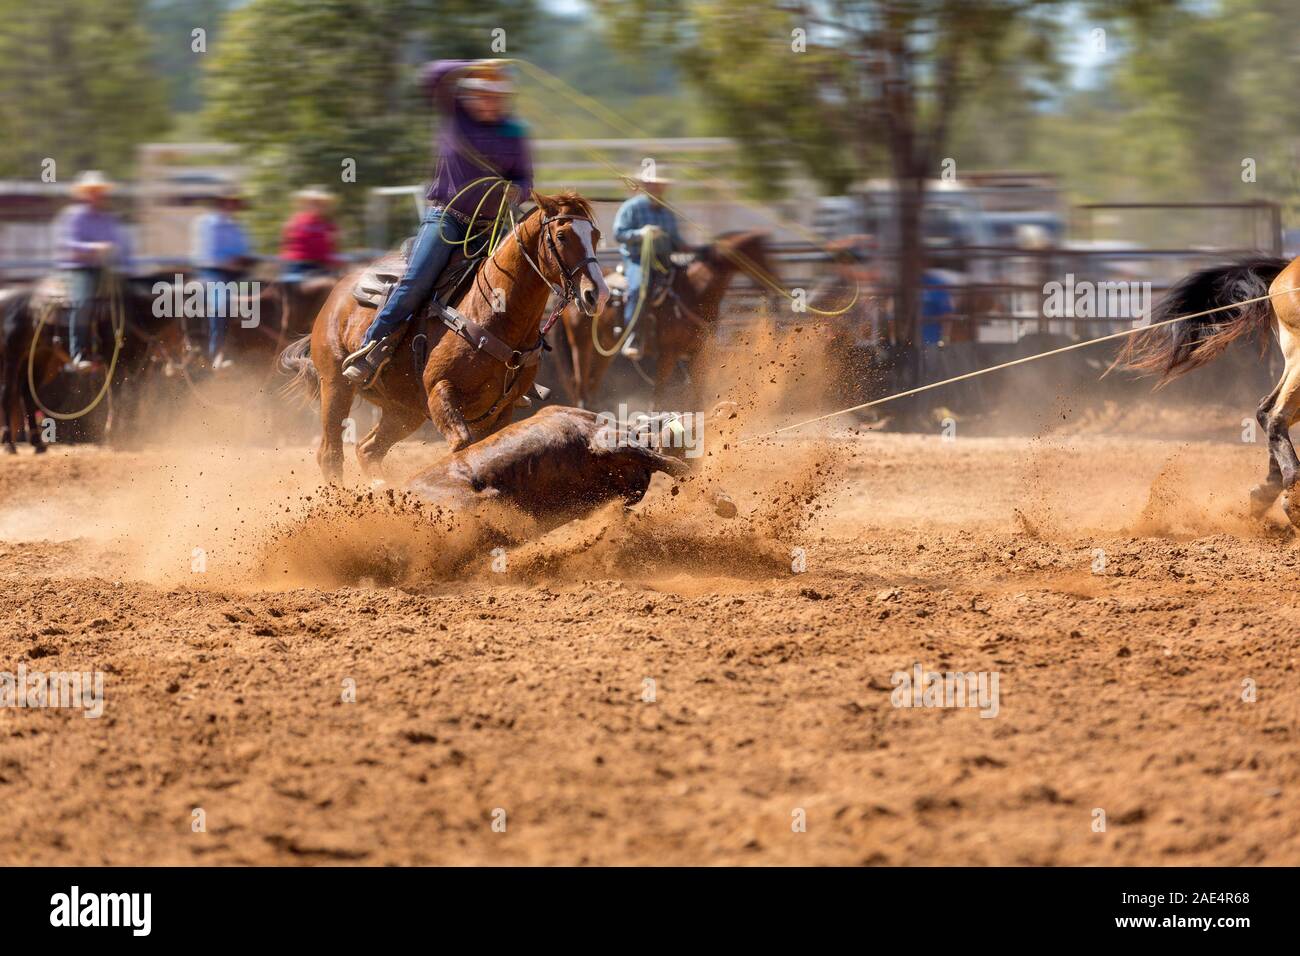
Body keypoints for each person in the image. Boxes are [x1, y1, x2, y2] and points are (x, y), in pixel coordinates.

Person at [343, 59, 534, 386]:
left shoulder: (514, 133)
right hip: (447, 219)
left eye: (496, 97)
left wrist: (518, 190)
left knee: (512, 286)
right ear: (470, 97)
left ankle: (508, 367)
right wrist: (474, 64)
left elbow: (525, 178)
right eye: (483, 95)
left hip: (488, 228)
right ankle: (372, 345)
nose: (490, 102)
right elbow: (431, 74)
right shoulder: (455, 116)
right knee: (417, 280)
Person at [53, 170, 132, 370]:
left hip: (103, 269)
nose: (96, 194)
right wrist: (95, 248)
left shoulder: (108, 218)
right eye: (92, 191)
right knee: (82, 303)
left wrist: (124, 264)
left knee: (130, 299)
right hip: (78, 269)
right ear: (84, 193)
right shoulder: (73, 216)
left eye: (99, 191)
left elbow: (118, 243)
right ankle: (77, 353)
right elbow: (68, 244)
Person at [611, 172, 688, 360]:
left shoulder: (667, 212)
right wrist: (641, 233)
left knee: (690, 282)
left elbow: (676, 240)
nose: (656, 188)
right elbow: (619, 234)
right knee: (639, 287)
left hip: (665, 261)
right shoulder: (631, 207)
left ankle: (686, 336)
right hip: (637, 260)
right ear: (644, 185)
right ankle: (633, 337)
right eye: (652, 184)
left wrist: (695, 249)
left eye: (659, 184)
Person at [191, 185, 254, 368]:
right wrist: (228, 263)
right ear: (220, 203)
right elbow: (207, 256)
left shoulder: (237, 226)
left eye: (234, 202)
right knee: (222, 301)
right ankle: (216, 352)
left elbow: (244, 250)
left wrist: (244, 260)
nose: (232, 205)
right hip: (212, 272)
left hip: (236, 274)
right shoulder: (207, 224)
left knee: (267, 294)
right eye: (229, 202)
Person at [280, 187, 341, 282]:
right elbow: (287, 242)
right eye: (313, 203)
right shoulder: (295, 221)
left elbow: (332, 246)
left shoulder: (327, 224)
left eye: (321, 203)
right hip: (298, 265)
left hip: (321, 266)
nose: (318, 206)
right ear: (306, 204)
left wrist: (333, 260)